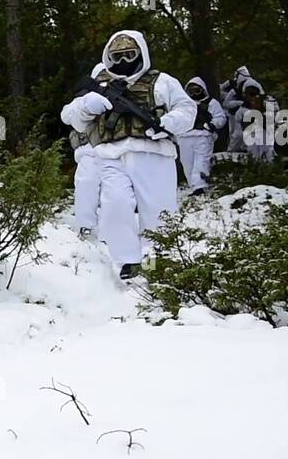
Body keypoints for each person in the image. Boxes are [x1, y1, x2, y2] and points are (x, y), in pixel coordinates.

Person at [61, 30, 196, 280]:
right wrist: (86, 106)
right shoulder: (99, 84)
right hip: (110, 154)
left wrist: (166, 123)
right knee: (115, 206)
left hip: (153, 152)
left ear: (141, 53)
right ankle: (128, 260)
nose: (123, 62)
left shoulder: (162, 81)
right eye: (118, 56)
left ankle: (159, 260)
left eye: (130, 55)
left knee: (158, 210)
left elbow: (188, 109)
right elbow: (70, 117)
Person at [61, 62, 106, 240]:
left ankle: (111, 229)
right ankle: (85, 226)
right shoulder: (84, 97)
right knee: (86, 186)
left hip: (115, 150)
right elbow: (66, 115)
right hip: (89, 150)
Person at [177, 77, 226, 196]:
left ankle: (200, 187)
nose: (194, 94)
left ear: (203, 90)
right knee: (187, 163)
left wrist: (212, 125)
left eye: (197, 90)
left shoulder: (211, 103)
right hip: (184, 137)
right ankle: (194, 186)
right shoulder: (183, 105)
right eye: (191, 91)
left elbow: (220, 117)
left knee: (201, 162)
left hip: (203, 136)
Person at [236, 79, 278, 161]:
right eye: (250, 94)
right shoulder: (241, 110)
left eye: (254, 94)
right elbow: (239, 133)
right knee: (254, 157)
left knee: (268, 156)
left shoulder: (268, 104)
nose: (252, 98)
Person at [221, 66, 252, 153]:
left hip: (247, 115)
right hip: (233, 115)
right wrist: (239, 103)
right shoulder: (234, 88)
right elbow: (225, 103)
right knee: (234, 134)